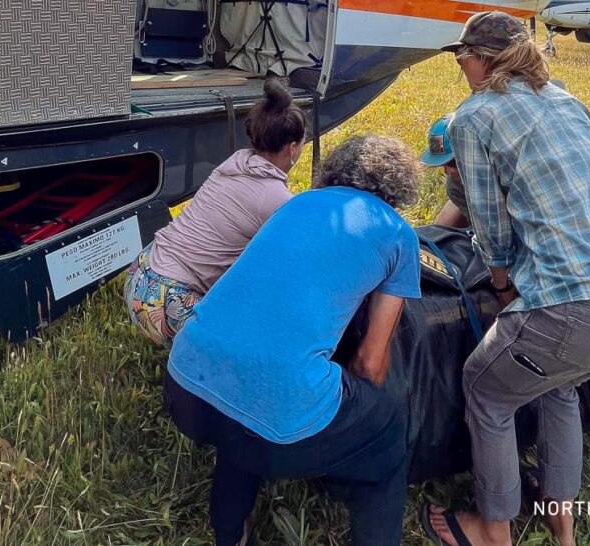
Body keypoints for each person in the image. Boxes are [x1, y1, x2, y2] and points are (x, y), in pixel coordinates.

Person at [422, 12, 590, 546]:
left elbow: (489, 226)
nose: (459, 65)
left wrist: (501, 286)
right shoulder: (565, 100)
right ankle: (562, 526)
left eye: (461, 55)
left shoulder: (474, 117)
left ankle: (492, 530)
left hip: (584, 307)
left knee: (486, 388)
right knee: (556, 382)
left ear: (482, 58)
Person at [163, 135, 423, 546]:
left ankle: (229, 532)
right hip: (279, 419)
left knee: (246, 410)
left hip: (184, 383)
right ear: (400, 188)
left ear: (336, 170)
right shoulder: (398, 235)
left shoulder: (295, 203)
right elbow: (371, 363)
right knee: (386, 435)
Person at [123, 78, 306, 347]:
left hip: (139, 275)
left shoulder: (236, 162)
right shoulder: (277, 199)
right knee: (262, 340)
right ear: (292, 148)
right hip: (163, 303)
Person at [422, 114, 471, 228]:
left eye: (452, 163)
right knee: (438, 231)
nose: (448, 172)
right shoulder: (455, 187)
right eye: (443, 165)